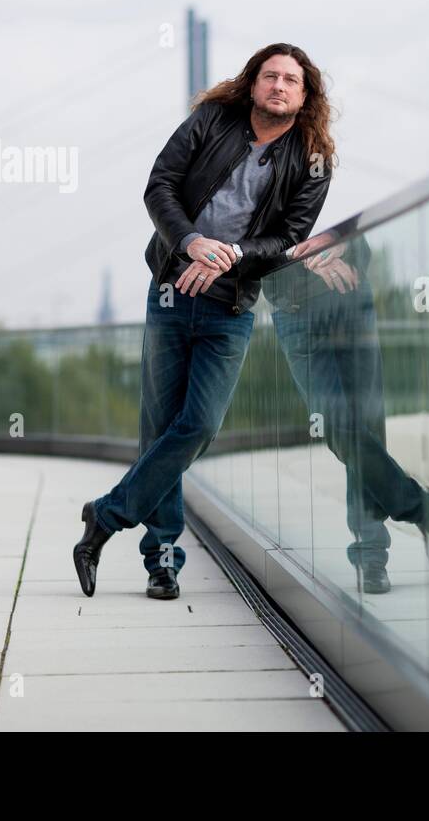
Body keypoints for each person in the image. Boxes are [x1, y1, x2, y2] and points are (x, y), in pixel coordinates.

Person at [73, 42, 333, 600]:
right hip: (170, 286)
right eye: (271, 76)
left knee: (200, 424)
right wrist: (190, 243)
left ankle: (105, 517)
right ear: (254, 82)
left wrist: (230, 256)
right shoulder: (212, 120)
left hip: (231, 303)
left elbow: (289, 238)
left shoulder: (312, 157)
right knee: (160, 425)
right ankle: (161, 564)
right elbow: (160, 186)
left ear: (305, 94)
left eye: (292, 80)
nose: (279, 86)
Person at [265, 226, 429, 594]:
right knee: (336, 427)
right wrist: (300, 259)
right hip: (295, 310)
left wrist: (342, 244)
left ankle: (371, 557)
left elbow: (360, 218)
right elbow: (252, 242)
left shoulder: (331, 169)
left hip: (349, 297)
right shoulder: (252, 175)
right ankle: (421, 508)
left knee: (367, 428)